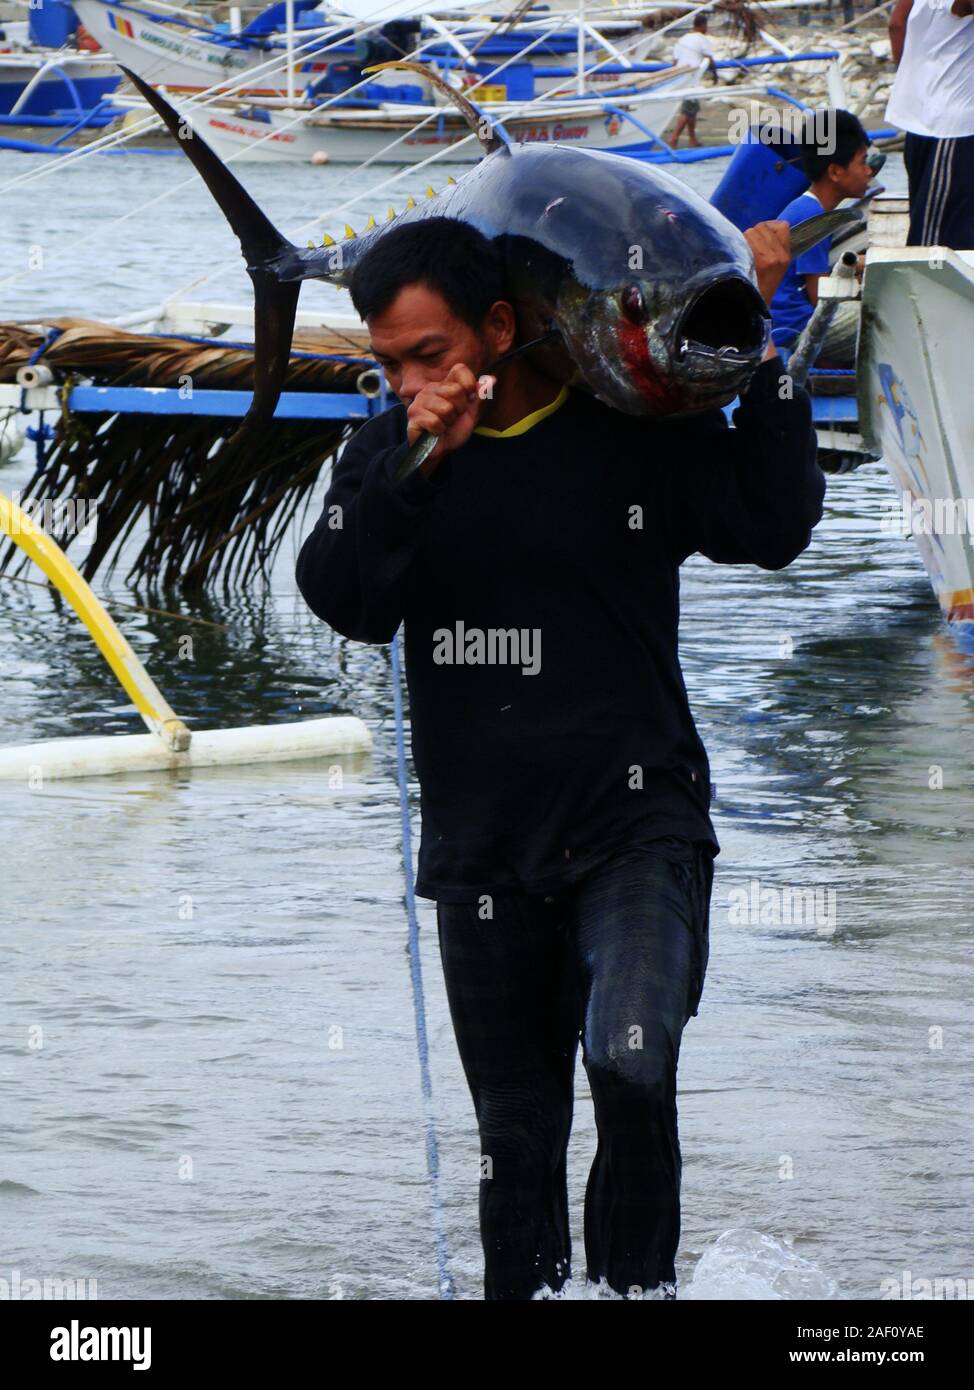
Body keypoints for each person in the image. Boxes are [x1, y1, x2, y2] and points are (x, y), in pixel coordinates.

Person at [295, 216, 825, 1301]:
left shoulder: (628, 429)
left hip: (639, 824)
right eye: (387, 363)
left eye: (429, 356)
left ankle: (636, 1296)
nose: (409, 382)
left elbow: (772, 524)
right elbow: (345, 600)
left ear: (498, 326)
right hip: (483, 854)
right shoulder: (387, 454)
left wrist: (759, 344)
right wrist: (416, 464)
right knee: (515, 1141)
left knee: (630, 1063)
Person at [769, 109, 873, 364]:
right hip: (796, 331)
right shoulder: (812, 216)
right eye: (862, 162)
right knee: (882, 316)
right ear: (835, 172)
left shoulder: (807, 207)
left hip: (786, 325)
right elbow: (821, 298)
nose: (870, 171)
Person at [886, 0, 974, 248]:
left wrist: (914, 76)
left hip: (919, 118)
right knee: (938, 241)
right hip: (952, 126)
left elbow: (896, 24)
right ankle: (927, 284)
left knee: (929, 223)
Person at [670, 14, 717, 148]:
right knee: (687, 110)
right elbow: (709, 58)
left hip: (681, 77)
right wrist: (714, 74)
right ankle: (673, 139)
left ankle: (692, 139)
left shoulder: (682, 39)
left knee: (692, 109)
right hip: (692, 79)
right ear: (703, 25)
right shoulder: (702, 39)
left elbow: (674, 61)